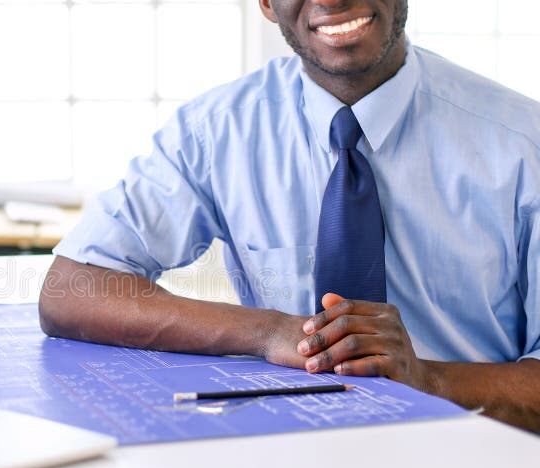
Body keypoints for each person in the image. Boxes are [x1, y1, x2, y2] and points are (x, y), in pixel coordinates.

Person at [39, 0, 540, 432]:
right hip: (291, 453)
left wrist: (428, 380)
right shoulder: (216, 133)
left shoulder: (524, 144)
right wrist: (269, 332)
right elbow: (70, 290)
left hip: (475, 460)